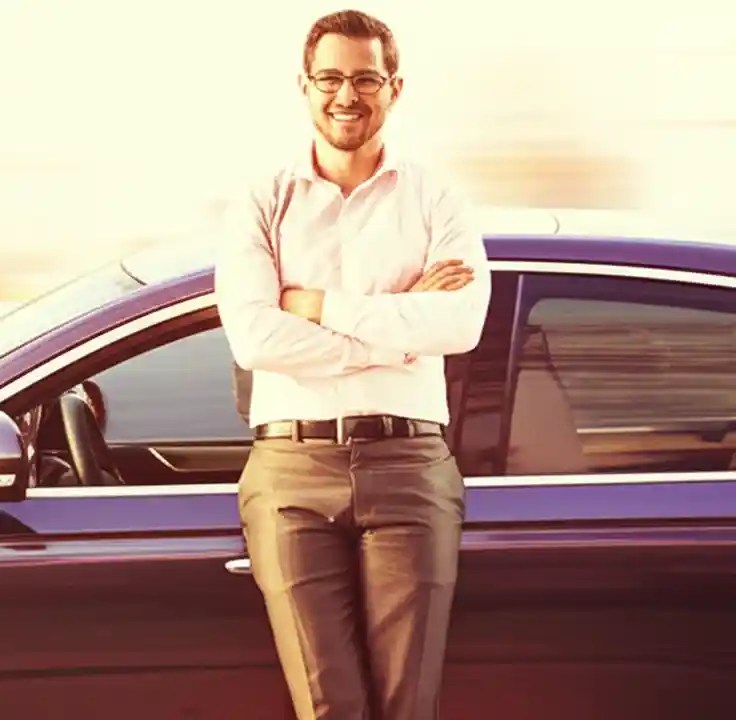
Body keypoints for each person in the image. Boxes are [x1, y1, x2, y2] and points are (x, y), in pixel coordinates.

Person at [213, 9, 490, 720]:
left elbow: (459, 323)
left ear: (394, 88)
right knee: (328, 708)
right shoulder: (261, 201)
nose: (347, 95)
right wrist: (399, 330)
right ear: (303, 86)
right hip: (291, 474)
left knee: (407, 707)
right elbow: (256, 339)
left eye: (366, 79)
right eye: (330, 78)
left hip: (410, 467)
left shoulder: (437, 199)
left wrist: (315, 305)